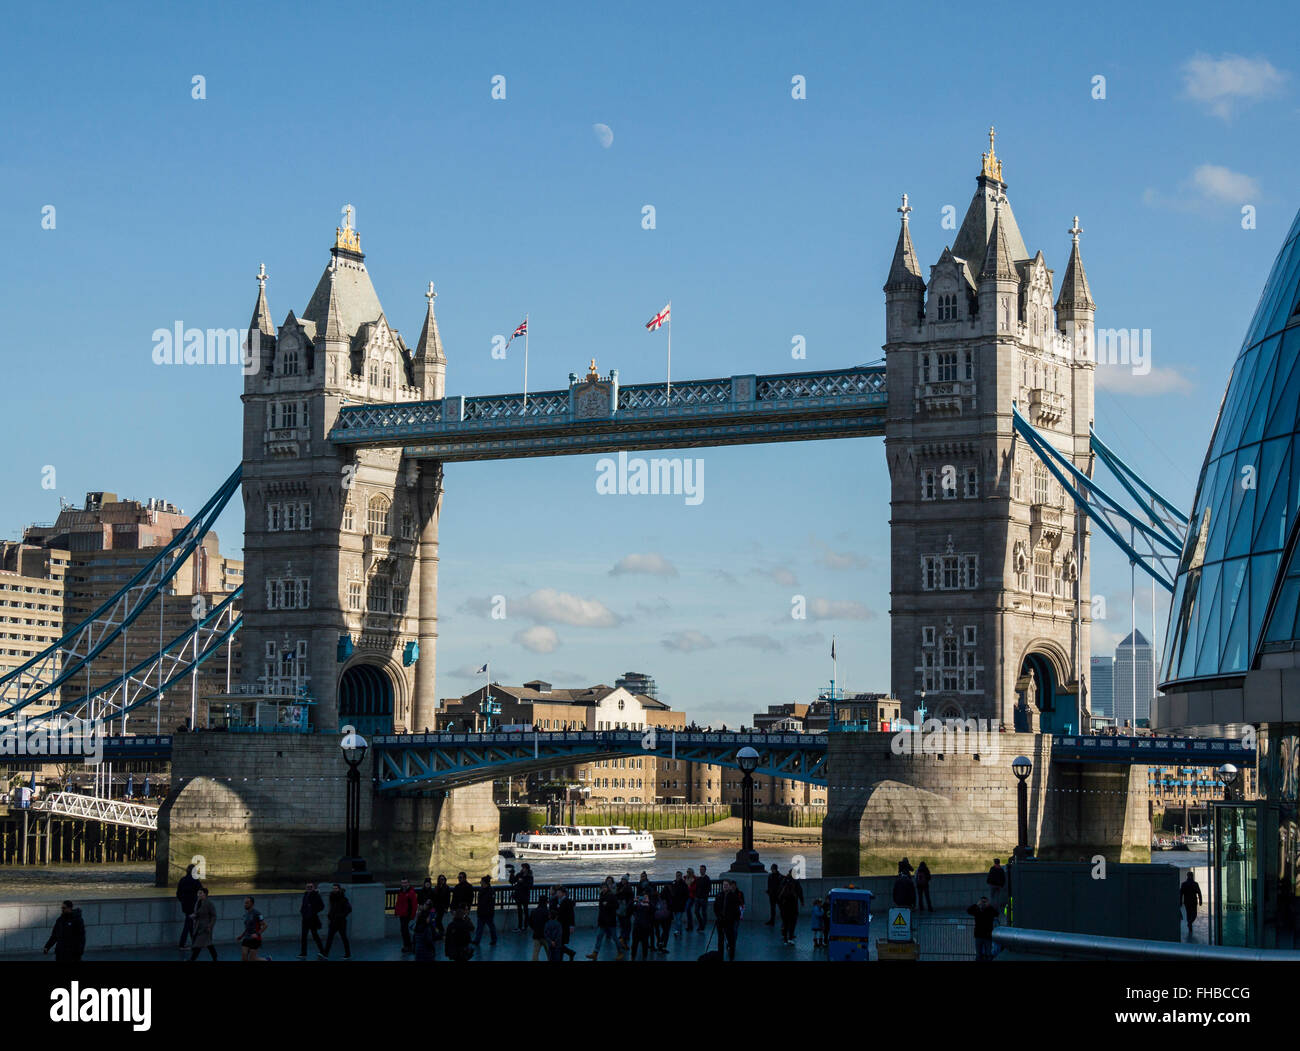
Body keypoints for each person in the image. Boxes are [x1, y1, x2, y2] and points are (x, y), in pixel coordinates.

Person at [588, 876, 623, 960]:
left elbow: (617, 906)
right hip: (603, 921)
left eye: (605, 887)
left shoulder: (611, 896)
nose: (603, 889)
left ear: (607, 888)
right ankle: (595, 953)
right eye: (602, 888)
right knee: (599, 937)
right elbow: (601, 909)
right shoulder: (601, 896)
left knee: (614, 937)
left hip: (610, 921)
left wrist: (608, 905)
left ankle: (620, 952)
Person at [713, 879, 742, 961]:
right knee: (720, 941)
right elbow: (715, 907)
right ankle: (720, 957)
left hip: (729, 922)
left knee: (731, 940)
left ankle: (731, 956)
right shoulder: (719, 895)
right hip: (720, 921)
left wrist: (731, 918)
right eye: (724, 885)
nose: (725, 886)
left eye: (726, 885)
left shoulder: (734, 897)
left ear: (730, 886)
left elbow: (737, 910)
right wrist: (718, 916)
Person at [296, 881, 326, 959]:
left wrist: (313, 911)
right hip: (305, 919)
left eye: (310, 887)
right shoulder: (305, 894)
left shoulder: (316, 895)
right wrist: (302, 911)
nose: (309, 888)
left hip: (312, 919)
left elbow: (322, 906)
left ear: (313, 888)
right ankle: (303, 953)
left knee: (315, 936)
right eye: (307, 887)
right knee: (304, 936)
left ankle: (322, 951)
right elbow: (304, 905)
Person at [322, 884, 352, 959]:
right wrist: (330, 915)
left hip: (341, 922)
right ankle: (325, 954)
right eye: (333, 888)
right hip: (333, 921)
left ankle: (348, 954)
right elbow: (332, 908)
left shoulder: (344, 899)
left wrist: (340, 916)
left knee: (344, 938)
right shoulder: (332, 898)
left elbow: (349, 909)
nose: (334, 890)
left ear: (339, 889)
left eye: (336, 888)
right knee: (329, 938)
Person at [175, 863, 201, 951]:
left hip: (184, 905)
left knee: (189, 923)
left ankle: (194, 943)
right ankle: (182, 944)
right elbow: (201, 892)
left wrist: (182, 900)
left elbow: (178, 893)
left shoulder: (182, 880)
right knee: (187, 925)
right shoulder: (195, 880)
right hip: (192, 905)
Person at [967, 895, 999, 961]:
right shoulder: (977, 910)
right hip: (979, 936)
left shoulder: (990, 910)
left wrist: (989, 906)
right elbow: (968, 911)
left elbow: (997, 913)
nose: (983, 903)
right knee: (979, 955)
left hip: (987, 936)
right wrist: (976, 904)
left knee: (988, 954)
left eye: (985, 902)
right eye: (982, 902)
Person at [189, 887, 217, 961]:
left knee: (198, 944)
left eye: (200, 893)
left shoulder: (209, 903)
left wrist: (210, 925)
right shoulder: (198, 902)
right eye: (198, 893)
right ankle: (215, 957)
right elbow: (197, 913)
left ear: (205, 894)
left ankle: (192, 959)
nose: (198, 894)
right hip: (198, 926)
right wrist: (194, 915)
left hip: (205, 928)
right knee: (208, 944)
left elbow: (214, 915)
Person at [778, 869, 804, 944]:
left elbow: (779, 893)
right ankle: (790, 937)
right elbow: (800, 892)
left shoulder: (784, 880)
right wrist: (802, 901)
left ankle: (785, 937)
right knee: (793, 921)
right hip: (793, 903)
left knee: (785, 921)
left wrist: (780, 902)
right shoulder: (796, 882)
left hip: (784, 904)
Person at [238, 896, 266, 962]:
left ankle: (267, 959)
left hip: (255, 939)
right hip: (246, 938)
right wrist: (241, 936)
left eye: (247, 903)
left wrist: (257, 934)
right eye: (245, 903)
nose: (245, 904)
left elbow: (265, 925)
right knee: (244, 958)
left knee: (252, 959)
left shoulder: (257, 913)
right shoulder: (246, 914)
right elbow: (247, 928)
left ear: (252, 904)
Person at [394, 878, 418, 953]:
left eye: (405, 883)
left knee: (406, 931)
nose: (404, 884)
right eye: (403, 883)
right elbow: (398, 903)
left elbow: (414, 905)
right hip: (402, 914)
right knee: (403, 931)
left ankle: (409, 946)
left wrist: (412, 915)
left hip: (407, 915)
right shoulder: (401, 891)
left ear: (408, 883)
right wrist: (396, 912)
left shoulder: (411, 893)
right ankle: (406, 945)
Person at [630, 892, 656, 960]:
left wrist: (648, 902)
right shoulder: (637, 906)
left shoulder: (649, 906)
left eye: (646, 897)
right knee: (635, 943)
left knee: (644, 943)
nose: (643, 899)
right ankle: (633, 956)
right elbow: (629, 908)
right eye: (643, 898)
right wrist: (634, 900)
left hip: (645, 927)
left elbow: (654, 910)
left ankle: (644, 956)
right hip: (638, 927)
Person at [473, 875, 498, 946]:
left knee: (484, 927)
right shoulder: (489, 890)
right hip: (484, 912)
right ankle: (478, 940)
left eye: (481, 881)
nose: (480, 883)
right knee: (484, 927)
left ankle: (478, 940)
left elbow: (489, 903)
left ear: (484, 882)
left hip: (487, 913)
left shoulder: (487, 891)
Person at [510, 863, 534, 931]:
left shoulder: (529, 877)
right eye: (522, 868)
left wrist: (522, 882)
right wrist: (512, 873)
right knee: (519, 911)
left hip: (525, 896)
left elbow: (530, 886)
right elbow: (512, 881)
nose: (523, 869)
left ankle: (525, 926)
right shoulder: (519, 875)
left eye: (524, 868)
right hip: (518, 895)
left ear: (527, 869)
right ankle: (520, 926)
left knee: (525, 911)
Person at [555, 886, 577, 959]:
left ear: (563, 893)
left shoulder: (567, 902)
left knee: (560, 943)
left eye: (558, 892)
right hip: (561, 925)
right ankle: (570, 953)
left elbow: (571, 914)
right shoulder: (559, 901)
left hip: (565, 925)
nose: (557, 894)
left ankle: (569, 953)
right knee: (560, 943)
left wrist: (571, 926)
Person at [1181, 872, 1203, 936]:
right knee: (1193, 914)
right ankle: (1190, 925)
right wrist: (1200, 901)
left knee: (1190, 914)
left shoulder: (1184, 884)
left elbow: (1181, 894)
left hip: (1188, 901)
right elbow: (1199, 892)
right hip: (1192, 901)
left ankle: (1189, 924)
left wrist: (1179, 902)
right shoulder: (1194, 884)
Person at [615, 875, 635, 949]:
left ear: (627, 880)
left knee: (626, 922)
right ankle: (623, 935)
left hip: (627, 907)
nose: (623, 880)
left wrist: (628, 905)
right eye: (622, 879)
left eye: (624, 879)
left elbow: (631, 898)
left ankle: (625, 936)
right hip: (621, 906)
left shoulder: (628, 888)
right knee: (622, 922)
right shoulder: (620, 886)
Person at [529, 895, 550, 961]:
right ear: (546, 902)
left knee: (535, 954)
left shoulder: (534, 911)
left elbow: (530, 923)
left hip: (536, 935)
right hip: (546, 936)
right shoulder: (547, 912)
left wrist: (535, 929)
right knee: (550, 954)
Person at [670, 871, 690, 938]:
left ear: (681, 876)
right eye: (677, 875)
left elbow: (687, 895)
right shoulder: (673, 882)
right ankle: (680, 930)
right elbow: (671, 892)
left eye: (679, 875)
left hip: (681, 905)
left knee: (678, 918)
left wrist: (683, 902)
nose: (678, 877)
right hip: (675, 904)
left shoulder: (683, 884)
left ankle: (677, 931)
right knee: (677, 919)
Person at [654, 884, 673, 951]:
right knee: (666, 931)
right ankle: (664, 945)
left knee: (660, 930)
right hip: (668, 916)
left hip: (659, 916)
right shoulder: (670, 897)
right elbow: (671, 907)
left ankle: (659, 941)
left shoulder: (660, 897)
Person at [694, 864, 712, 932]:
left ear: (705, 870)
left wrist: (704, 895)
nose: (701, 871)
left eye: (702, 869)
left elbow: (709, 889)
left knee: (703, 912)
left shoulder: (707, 878)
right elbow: (696, 887)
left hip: (703, 898)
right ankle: (701, 924)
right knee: (696, 912)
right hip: (697, 898)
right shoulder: (698, 879)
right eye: (700, 869)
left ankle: (702, 926)